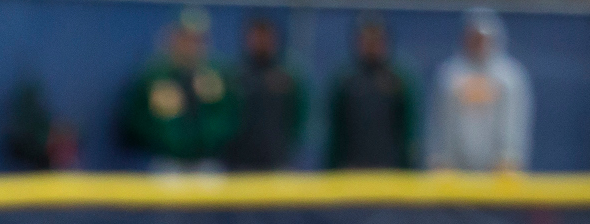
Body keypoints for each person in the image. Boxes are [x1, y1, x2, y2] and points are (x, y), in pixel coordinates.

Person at [118, 8, 238, 169]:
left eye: (196, 39)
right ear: (172, 38)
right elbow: (136, 120)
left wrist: (209, 131)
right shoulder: (155, 75)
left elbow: (231, 118)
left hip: (208, 160)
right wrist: (164, 136)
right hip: (166, 160)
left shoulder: (218, 75)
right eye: (184, 37)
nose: (190, 45)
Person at [427, 10, 531, 173]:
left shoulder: (509, 77)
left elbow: (515, 119)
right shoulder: (450, 75)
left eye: (483, 39)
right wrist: (440, 157)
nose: (479, 44)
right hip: (455, 169)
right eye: (474, 38)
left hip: (498, 170)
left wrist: (510, 155)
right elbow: (439, 119)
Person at [327, 14, 418, 169]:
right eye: (366, 39)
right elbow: (334, 133)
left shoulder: (400, 81)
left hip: (390, 171)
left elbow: (409, 131)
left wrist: (408, 168)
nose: (371, 46)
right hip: (351, 170)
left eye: (376, 39)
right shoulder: (344, 80)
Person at [226, 15, 308, 171]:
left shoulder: (288, 78)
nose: (261, 41)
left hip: (276, 163)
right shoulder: (235, 76)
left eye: (266, 36)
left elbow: (298, 120)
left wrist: (284, 149)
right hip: (240, 164)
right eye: (257, 36)